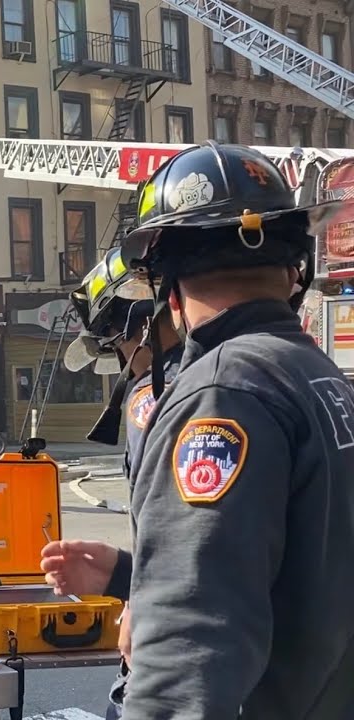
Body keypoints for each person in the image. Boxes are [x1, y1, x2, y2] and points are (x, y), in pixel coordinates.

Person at [121, 142, 351, 717]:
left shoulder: (223, 393)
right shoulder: (318, 377)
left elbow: (190, 641)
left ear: (170, 289)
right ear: (294, 271)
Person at [44, 246, 184, 719]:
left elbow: (172, 526)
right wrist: (124, 574)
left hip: (173, 641)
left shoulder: (159, 393)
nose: (122, 359)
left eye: (115, 343)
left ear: (138, 327)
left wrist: (140, 601)